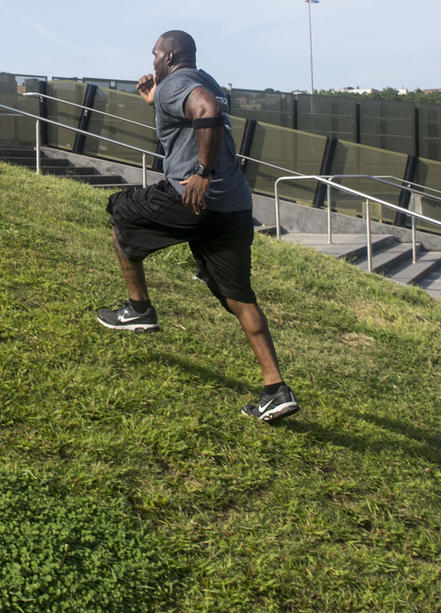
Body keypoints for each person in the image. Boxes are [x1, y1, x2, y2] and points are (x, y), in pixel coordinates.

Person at [98, 30, 299, 422]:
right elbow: (198, 110)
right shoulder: (205, 81)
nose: (152, 61)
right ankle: (276, 389)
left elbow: (203, 109)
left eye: (156, 55)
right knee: (238, 296)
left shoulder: (180, 84)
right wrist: (155, 99)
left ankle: (138, 310)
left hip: (193, 197)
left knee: (120, 211)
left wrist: (202, 173)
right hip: (233, 206)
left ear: (170, 56)